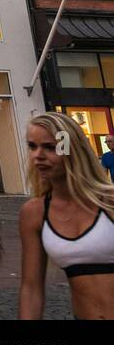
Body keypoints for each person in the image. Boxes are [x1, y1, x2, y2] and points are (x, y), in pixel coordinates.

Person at [18, 112, 114, 320]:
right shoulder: (34, 213)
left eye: (50, 147)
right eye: (32, 146)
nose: (38, 155)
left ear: (71, 150)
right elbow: (31, 288)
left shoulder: (109, 201)